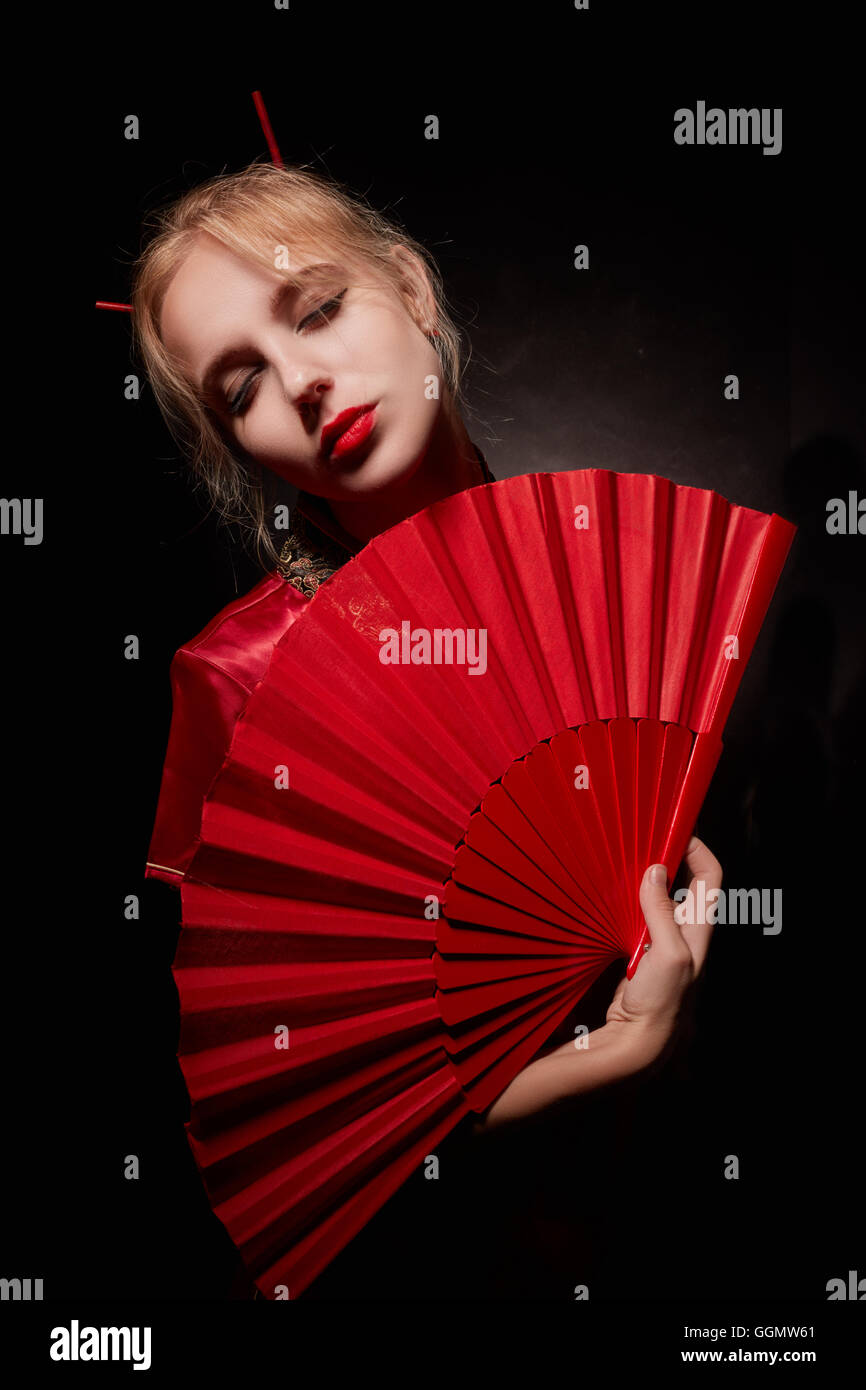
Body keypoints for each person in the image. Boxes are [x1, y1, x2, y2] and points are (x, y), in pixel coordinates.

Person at [135, 159, 722, 1142]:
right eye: (242, 388)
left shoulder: (618, 573)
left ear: (411, 288)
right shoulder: (240, 676)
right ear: (241, 451)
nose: (303, 381)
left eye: (317, 310)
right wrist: (618, 1046)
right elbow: (305, 1104)